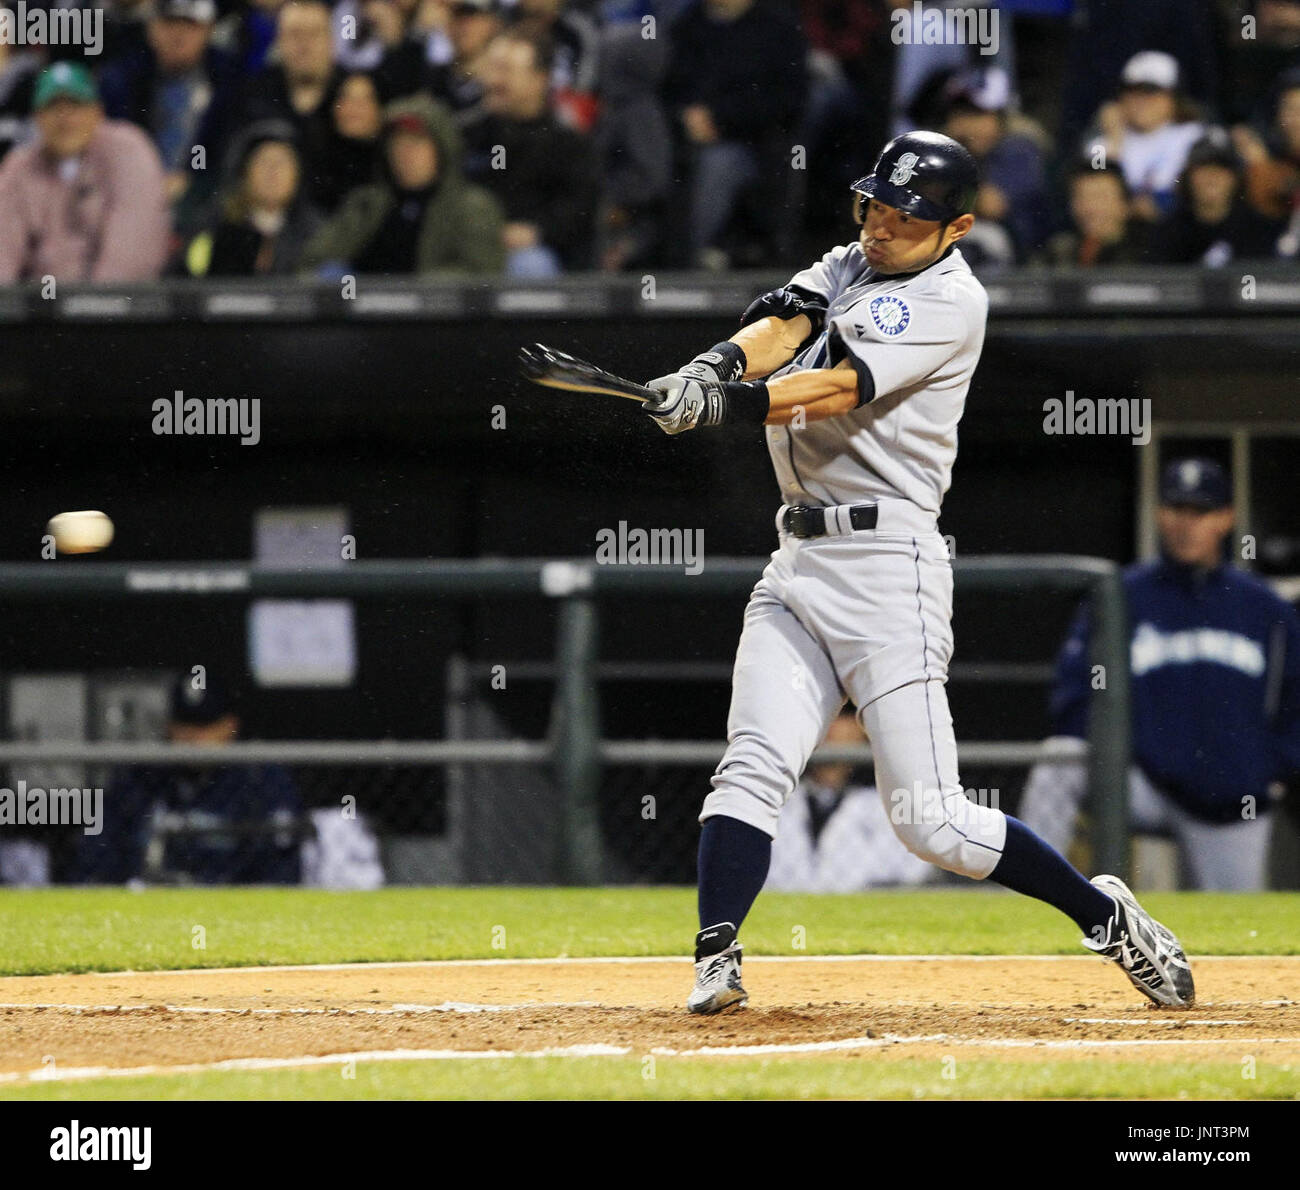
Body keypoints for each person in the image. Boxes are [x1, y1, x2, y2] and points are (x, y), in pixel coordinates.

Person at [637, 130, 1195, 1015]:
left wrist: (728, 405)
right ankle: (717, 958)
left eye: (910, 215)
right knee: (750, 765)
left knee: (930, 821)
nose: (884, 226)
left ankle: (1107, 916)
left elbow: (839, 387)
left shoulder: (950, 300)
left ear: (958, 225)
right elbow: (784, 324)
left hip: (888, 565)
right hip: (798, 561)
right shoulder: (853, 259)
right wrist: (708, 368)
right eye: (877, 205)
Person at [1021, 459, 1300, 892]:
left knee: (1234, 929)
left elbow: (1294, 697)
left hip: (1231, 800)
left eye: (1200, 512)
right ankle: (1027, 900)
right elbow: (1076, 690)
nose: (1185, 524)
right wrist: (1116, 755)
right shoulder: (1121, 594)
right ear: (1159, 513)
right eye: (1176, 509)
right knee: (1062, 759)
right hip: (1143, 785)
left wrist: (1276, 768)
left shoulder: (1263, 607)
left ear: (1225, 518)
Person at [70, 674, 305, 885]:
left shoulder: (260, 777)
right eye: (185, 726)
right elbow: (95, 856)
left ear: (230, 726)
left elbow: (281, 869)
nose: (194, 738)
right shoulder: (141, 774)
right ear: (170, 727)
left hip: (232, 904)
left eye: (205, 727)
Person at [662, 0, 807, 269]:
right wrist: (685, 116)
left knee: (719, 163)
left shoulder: (777, 28)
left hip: (756, 144)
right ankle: (661, 258)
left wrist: (721, 120)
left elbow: (789, 100)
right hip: (684, 137)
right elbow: (670, 89)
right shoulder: (688, 25)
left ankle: (692, 264)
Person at [0, 61, 169, 282]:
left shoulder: (127, 149)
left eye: (75, 105)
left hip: (118, 308)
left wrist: (92, 307)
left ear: (97, 112)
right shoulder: (20, 166)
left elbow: (132, 250)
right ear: (37, 118)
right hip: (38, 309)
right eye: (53, 107)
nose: (65, 118)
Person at [300, 93, 505, 275]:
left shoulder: (471, 206)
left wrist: (412, 294)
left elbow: (481, 274)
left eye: (416, 141)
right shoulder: (368, 203)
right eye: (396, 142)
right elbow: (313, 259)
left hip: (435, 315)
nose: (404, 152)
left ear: (442, 149)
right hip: (364, 312)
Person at [460, 28, 598, 274]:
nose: (494, 81)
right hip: (470, 247)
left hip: (537, 252)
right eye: (492, 68)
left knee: (532, 266)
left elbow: (579, 210)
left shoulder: (568, 143)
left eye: (507, 71)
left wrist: (537, 232)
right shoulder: (465, 134)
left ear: (540, 79)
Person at [767, 711, 932, 892]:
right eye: (824, 715)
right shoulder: (773, 798)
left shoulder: (887, 807)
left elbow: (913, 874)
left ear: (861, 732)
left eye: (841, 716)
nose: (832, 729)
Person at [233, 0, 344, 206]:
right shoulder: (254, 94)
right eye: (295, 34)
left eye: (314, 34)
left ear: (331, 42)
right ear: (279, 41)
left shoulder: (351, 97)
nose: (304, 45)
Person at [185, 119, 323, 275]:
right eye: (264, 162)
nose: (273, 172)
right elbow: (187, 282)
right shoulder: (214, 226)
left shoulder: (315, 233)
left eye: (282, 162)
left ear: (298, 174)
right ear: (244, 172)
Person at [1085, 50, 1204, 221]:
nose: (1140, 100)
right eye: (1132, 91)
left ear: (1174, 97)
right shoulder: (1101, 144)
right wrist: (1114, 140)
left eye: (1151, 92)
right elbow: (1093, 196)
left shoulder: (1195, 136)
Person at [1150, 130, 1284, 266]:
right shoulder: (1168, 232)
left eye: (1221, 168)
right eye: (1203, 167)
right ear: (1188, 177)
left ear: (1236, 178)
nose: (1212, 176)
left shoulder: (1260, 231)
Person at [1039, 161, 1154, 268]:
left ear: (1124, 204)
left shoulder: (1150, 253)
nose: (1089, 207)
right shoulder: (1059, 251)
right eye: (1080, 197)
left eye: (1100, 197)